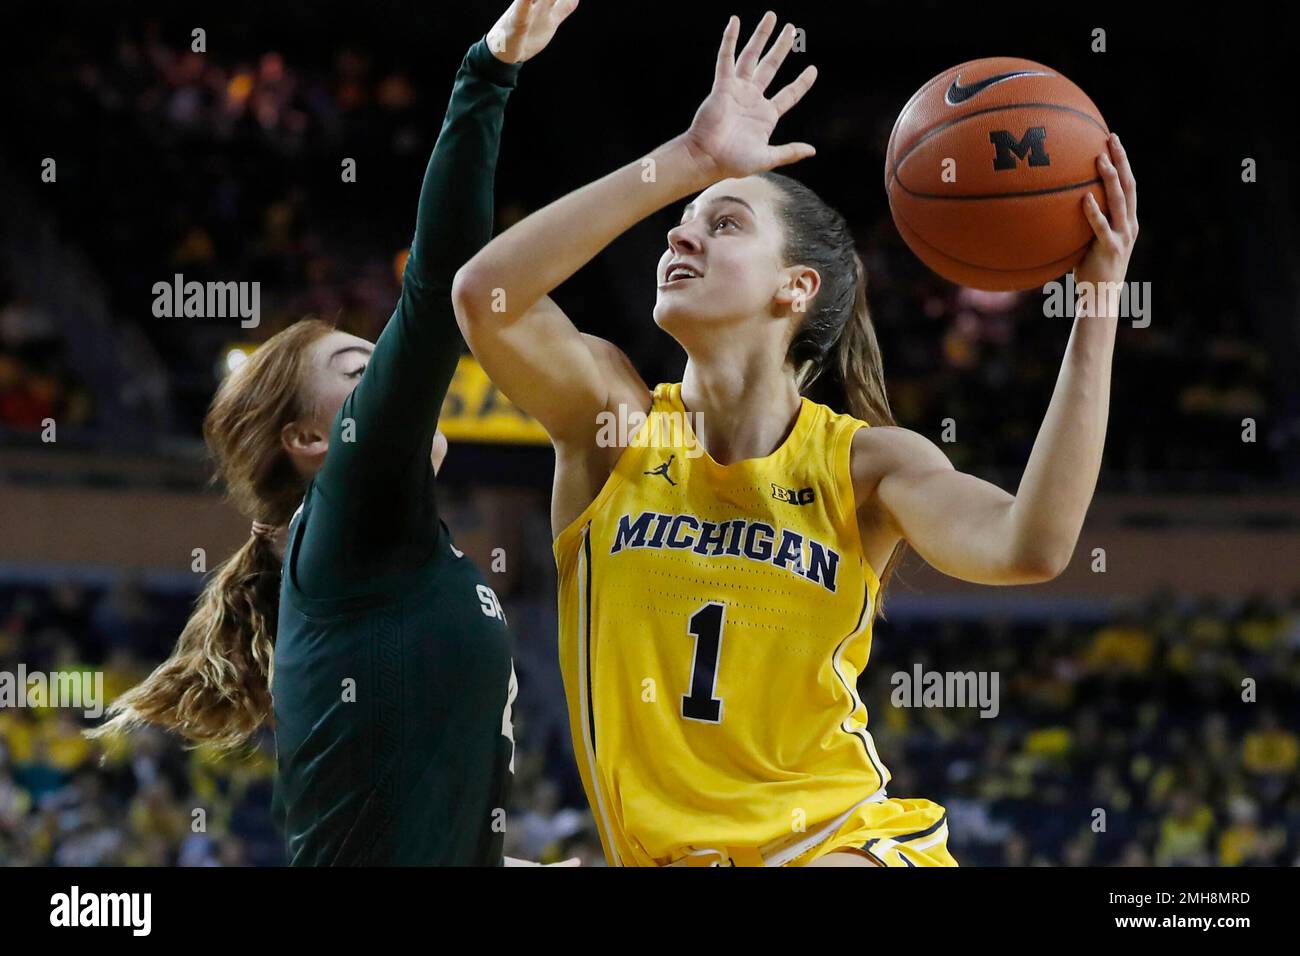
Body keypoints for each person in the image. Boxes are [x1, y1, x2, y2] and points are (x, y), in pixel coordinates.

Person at [452, 11, 1138, 866]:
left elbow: (1029, 547)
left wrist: (1099, 306)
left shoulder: (868, 465)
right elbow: (487, 297)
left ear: (795, 288)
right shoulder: (614, 426)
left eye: (725, 222)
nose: (679, 231)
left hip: (834, 844)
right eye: (685, 219)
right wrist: (692, 162)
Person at [90, 0, 581, 865]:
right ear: (311, 442)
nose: (388, 389)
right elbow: (440, 293)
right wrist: (489, 71)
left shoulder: (383, 554)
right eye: (360, 376)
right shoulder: (346, 518)